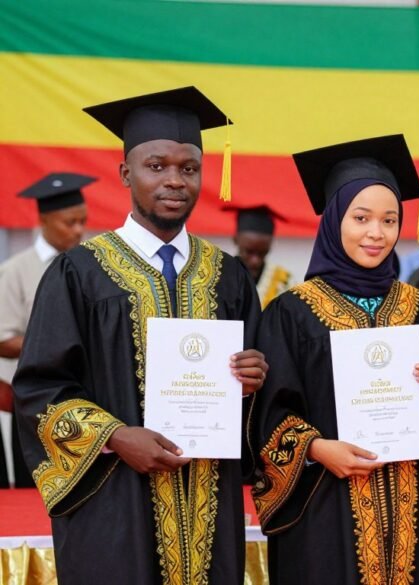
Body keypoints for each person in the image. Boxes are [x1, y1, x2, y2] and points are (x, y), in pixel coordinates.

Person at [13, 86, 268, 584]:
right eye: (157, 166)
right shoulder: (79, 273)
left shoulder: (229, 276)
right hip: (112, 506)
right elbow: (39, 390)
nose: (175, 180)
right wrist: (114, 437)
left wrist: (254, 380)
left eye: (189, 168)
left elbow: (258, 409)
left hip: (207, 504)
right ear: (126, 173)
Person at [250, 134, 419, 584]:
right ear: (335, 220)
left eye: (389, 219)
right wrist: (318, 449)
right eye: (361, 218)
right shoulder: (292, 312)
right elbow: (268, 415)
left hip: (411, 507)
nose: (376, 233)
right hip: (324, 510)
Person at [0, 173, 92, 488]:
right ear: (44, 219)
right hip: (35, 408)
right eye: (70, 222)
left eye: (83, 221)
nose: (79, 230)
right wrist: (62, 344)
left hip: (89, 404)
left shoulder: (93, 265)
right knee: (35, 493)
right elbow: (3, 340)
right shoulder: (15, 271)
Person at [227, 204, 291, 307]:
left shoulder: (285, 283)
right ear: (235, 240)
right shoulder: (220, 277)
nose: (255, 261)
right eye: (249, 252)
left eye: (262, 253)